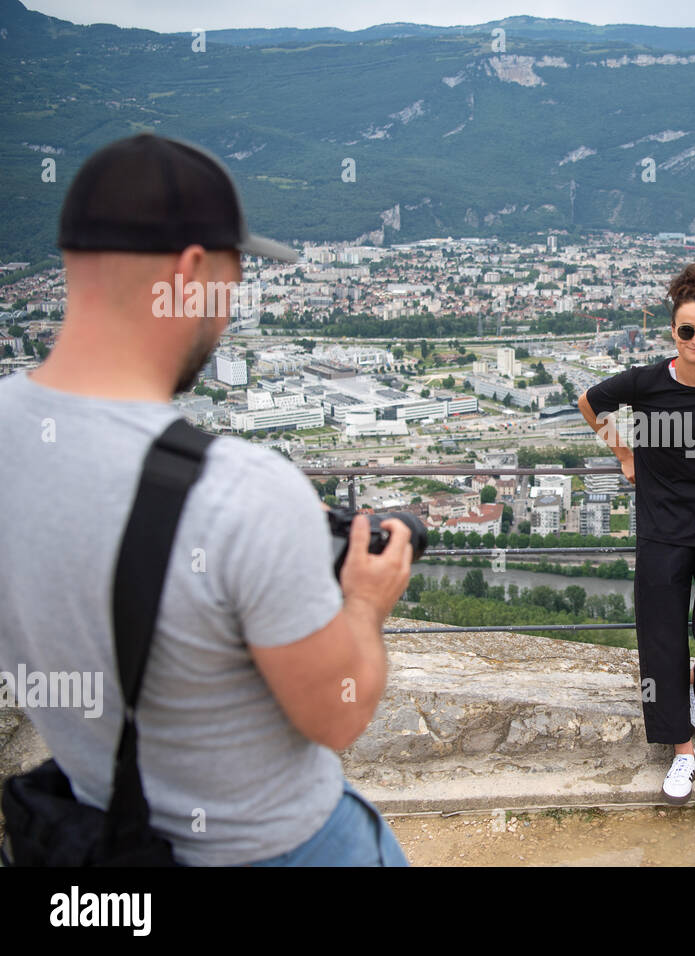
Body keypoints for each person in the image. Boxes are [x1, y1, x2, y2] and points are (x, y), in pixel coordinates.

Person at [0, 133, 413, 865]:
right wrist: (364, 603)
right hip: (279, 847)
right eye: (233, 280)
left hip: (96, 837)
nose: (228, 311)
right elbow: (340, 715)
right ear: (191, 272)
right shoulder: (239, 490)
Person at [578, 263, 695, 805]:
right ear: (674, 333)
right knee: (660, 642)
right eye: (687, 331)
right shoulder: (644, 381)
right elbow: (590, 403)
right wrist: (623, 452)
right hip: (661, 530)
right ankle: (682, 750)